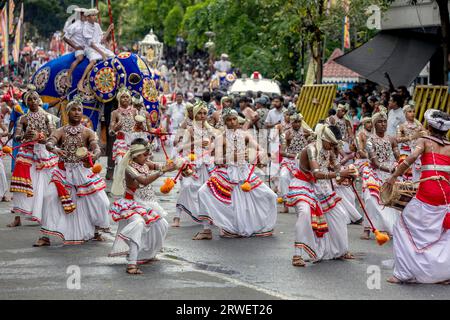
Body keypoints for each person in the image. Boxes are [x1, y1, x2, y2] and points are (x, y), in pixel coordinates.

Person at [385, 109, 450, 284]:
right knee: (442, 234)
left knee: (402, 225)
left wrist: (393, 177)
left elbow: (410, 159)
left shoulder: (425, 141)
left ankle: (402, 274)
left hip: (428, 192)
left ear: (429, 126)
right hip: (446, 196)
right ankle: (444, 273)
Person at [35, 99, 109, 246]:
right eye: (74, 109)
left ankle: (95, 231)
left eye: (79, 110)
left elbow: (96, 147)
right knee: (49, 198)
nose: (77, 112)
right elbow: (50, 142)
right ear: (67, 112)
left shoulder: (88, 131)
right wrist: (54, 149)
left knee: (101, 201)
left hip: (83, 172)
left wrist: (95, 155)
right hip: (63, 172)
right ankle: (45, 236)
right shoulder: (60, 130)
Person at [196, 108, 277, 239]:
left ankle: (260, 225)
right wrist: (231, 157)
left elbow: (259, 148)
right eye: (229, 120)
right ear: (224, 122)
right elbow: (216, 161)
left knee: (271, 195)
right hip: (227, 173)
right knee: (202, 192)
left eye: (234, 119)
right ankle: (206, 230)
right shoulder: (220, 138)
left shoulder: (245, 135)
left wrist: (263, 153)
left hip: (244, 172)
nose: (233, 122)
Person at [286, 124, 356, 267]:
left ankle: (341, 250)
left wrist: (347, 175)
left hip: (320, 187)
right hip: (303, 185)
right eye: (331, 144)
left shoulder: (329, 149)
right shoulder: (312, 149)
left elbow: (337, 171)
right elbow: (317, 174)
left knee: (341, 215)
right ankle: (297, 255)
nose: (333, 147)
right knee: (305, 214)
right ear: (323, 139)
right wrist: (339, 174)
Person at [109, 139, 176, 275]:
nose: (148, 157)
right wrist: (163, 171)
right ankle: (131, 264)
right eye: (145, 154)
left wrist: (178, 164)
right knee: (138, 225)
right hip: (131, 204)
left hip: (145, 204)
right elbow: (144, 181)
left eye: (148, 154)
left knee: (162, 224)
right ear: (135, 155)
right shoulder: (129, 168)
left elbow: (162, 166)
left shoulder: (146, 163)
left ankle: (147, 254)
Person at [8, 90, 58, 228]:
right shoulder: (22, 118)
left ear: (39, 100)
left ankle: (43, 214)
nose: (33, 101)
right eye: (30, 99)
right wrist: (25, 137)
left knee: (46, 185)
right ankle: (18, 217)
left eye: (35, 99)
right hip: (27, 154)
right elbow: (17, 136)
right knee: (21, 187)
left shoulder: (48, 117)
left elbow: (53, 136)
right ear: (26, 102)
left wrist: (42, 138)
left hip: (44, 154)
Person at [173, 102, 215, 228]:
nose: (202, 116)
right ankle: (177, 216)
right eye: (199, 113)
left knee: (207, 191)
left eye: (204, 113)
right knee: (186, 187)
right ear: (195, 115)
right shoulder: (189, 129)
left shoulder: (210, 129)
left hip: (206, 164)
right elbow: (181, 147)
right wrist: (196, 143)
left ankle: (208, 217)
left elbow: (213, 145)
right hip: (191, 163)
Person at [361, 112, 401, 240]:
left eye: (384, 121)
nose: (383, 124)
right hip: (374, 172)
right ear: (374, 124)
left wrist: (399, 163)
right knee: (370, 200)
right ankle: (368, 228)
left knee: (390, 201)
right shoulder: (370, 141)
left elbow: (398, 157)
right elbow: (375, 163)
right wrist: (391, 169)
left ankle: (389, 227)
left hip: (390, 172)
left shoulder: (391, 139)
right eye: (380, 121)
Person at [278, 113, 314, 213]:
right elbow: (282, 152)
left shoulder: (308, 132)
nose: (297, 124)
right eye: (295, 122)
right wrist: (293, 155)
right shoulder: (285, 134)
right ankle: (286, 204)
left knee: (308, 181)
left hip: (302, 161)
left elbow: (313, 145)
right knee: (284, 176)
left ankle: (308, 201)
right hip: (289, 160)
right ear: (290, 122)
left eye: (299, 122)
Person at [78, 8, 115, 92]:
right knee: (93, 61)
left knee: (113, 56)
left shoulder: (97, 25)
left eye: (95, 15)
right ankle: (81, 81)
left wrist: (109, 29)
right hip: (89, 48)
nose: (95, 17)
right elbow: (91, 44)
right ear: (87, 17)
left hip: (99, 46)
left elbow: (102, 40)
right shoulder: (85, 27)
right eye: (93, 15)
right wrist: (102, 53)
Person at [396, 104, 427, 181]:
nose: (412, 113)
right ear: (405, 113)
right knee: (405, 171)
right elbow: (398, 139)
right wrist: (412, 137)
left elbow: (427, 135)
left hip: (417, 151)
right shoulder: (401, 126)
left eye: (413, 111)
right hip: (406, 151)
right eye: (410, 112)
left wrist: (423, 134)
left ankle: (415, 189)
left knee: (417, 173)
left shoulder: (419, 125)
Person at [110, 88, 137, 166]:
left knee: (133, 164)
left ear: (130, 99)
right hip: (121, 141)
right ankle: (119, 177)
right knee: (120, 163)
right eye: (123, 97)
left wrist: (140, 126)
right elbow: (111, 131)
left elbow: (140, 127)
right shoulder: (115, 113)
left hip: (133, 141)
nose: (125, 98)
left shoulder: (134, 111)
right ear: (119, 99)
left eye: (127, 97)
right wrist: (115, 129)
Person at [63, 8, 87, 88]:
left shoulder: (89, 25)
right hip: (79, 49)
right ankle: (68, 77)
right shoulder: (75, 25)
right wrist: (75, 46)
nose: (86, 16)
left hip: (88, 48)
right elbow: (65, 37)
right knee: (80, 58)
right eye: (85, 14)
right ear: (81, 15)